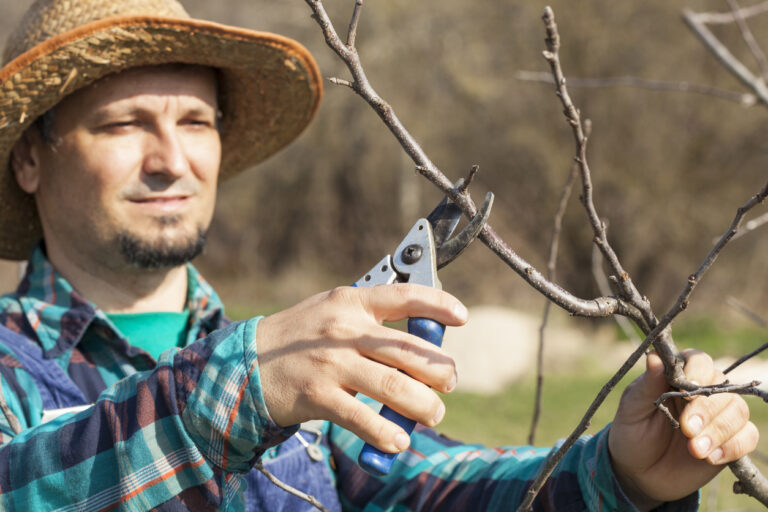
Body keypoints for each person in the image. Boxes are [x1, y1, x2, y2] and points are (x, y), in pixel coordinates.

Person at [0, 0, 757, 510]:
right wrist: (233, 393)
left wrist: (616, 475)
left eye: (196, 122)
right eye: (124, 124)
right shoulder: (20, 371)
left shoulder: (286, 368)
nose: (172, 160)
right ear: (31, 159)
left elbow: (423, 486)